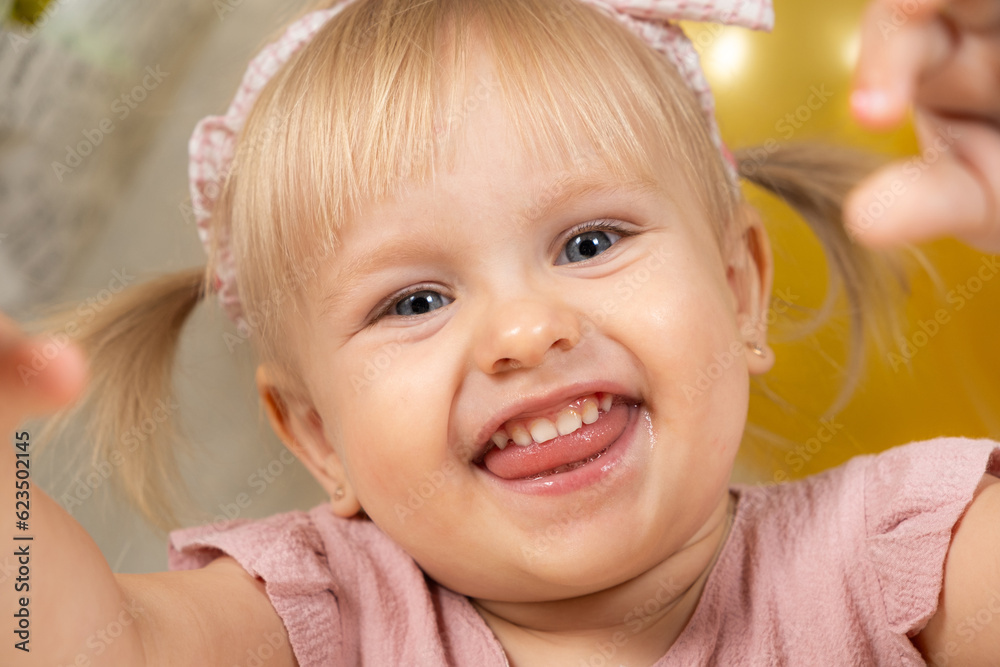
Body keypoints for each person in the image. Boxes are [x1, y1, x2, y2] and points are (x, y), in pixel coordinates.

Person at [2, 0, 999, 664]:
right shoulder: (329, 616)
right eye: (414, 302)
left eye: (590, 240)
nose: (523, 330)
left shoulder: (887, 557)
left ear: (739, 289)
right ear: (313, 434)